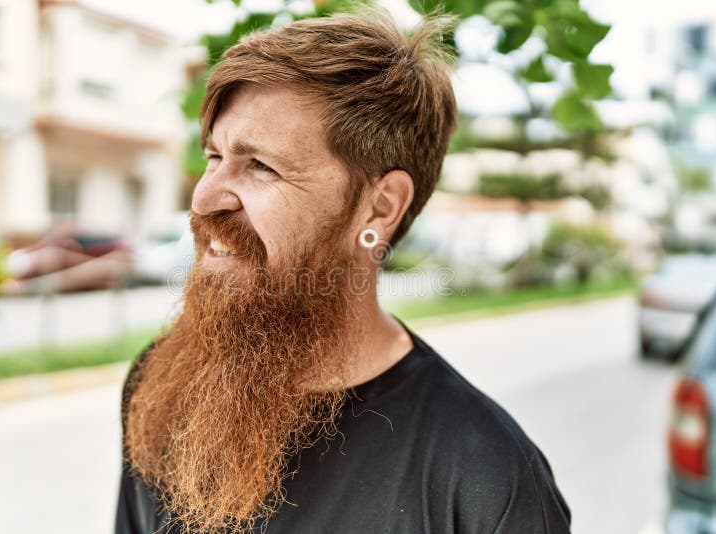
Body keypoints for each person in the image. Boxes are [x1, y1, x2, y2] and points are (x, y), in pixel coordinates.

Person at [115, 8, 571, 534]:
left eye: (260, 166)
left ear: (379, 208)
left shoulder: (487, 480)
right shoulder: (158, 386)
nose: (203, 197)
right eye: (213, 156)